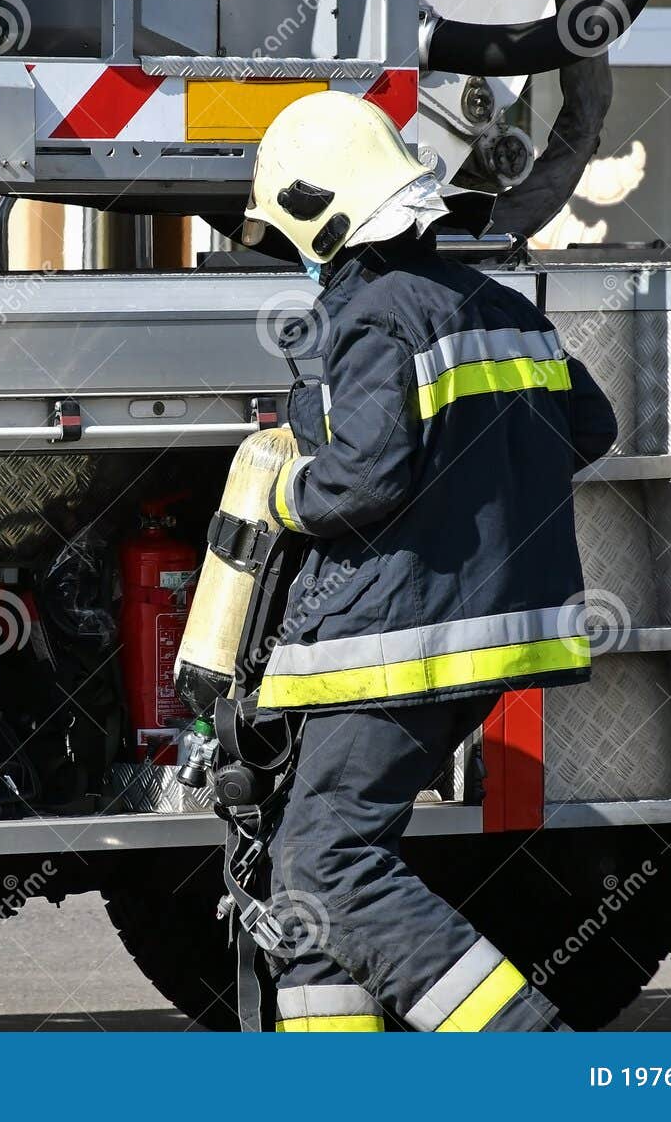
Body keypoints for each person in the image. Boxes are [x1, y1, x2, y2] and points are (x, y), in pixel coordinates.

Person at [241, 91, 618, 1032]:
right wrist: (481, 479)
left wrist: (283, 493)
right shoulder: (504, 307)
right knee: (309, 867)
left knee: (327, 864)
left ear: (320, 215)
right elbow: (591, 425)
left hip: (398, 638)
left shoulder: (372, 317)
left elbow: (365, 478)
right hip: (485, 633)